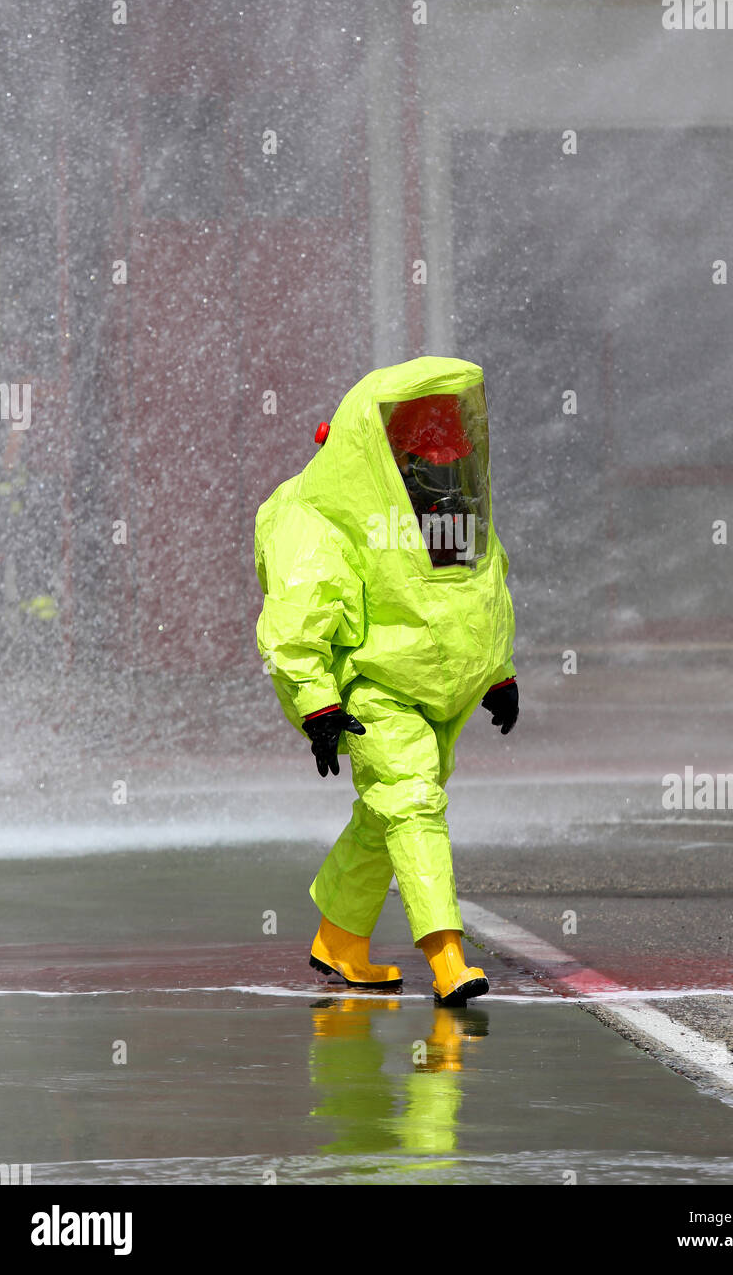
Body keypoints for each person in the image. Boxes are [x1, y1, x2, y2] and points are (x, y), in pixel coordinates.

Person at [254, 356, 518, 1006]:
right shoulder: (324, 521)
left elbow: (481, 591)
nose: (441, 473)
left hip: (442, 688)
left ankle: (338, 941)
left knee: (386, 811)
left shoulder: (445, 506)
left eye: (448, 458)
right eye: (426, 461)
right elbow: (293, 625)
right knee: (411, 804)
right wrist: (317, 705)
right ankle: (448, 959)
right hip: (373, 688)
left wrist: (498, 673)